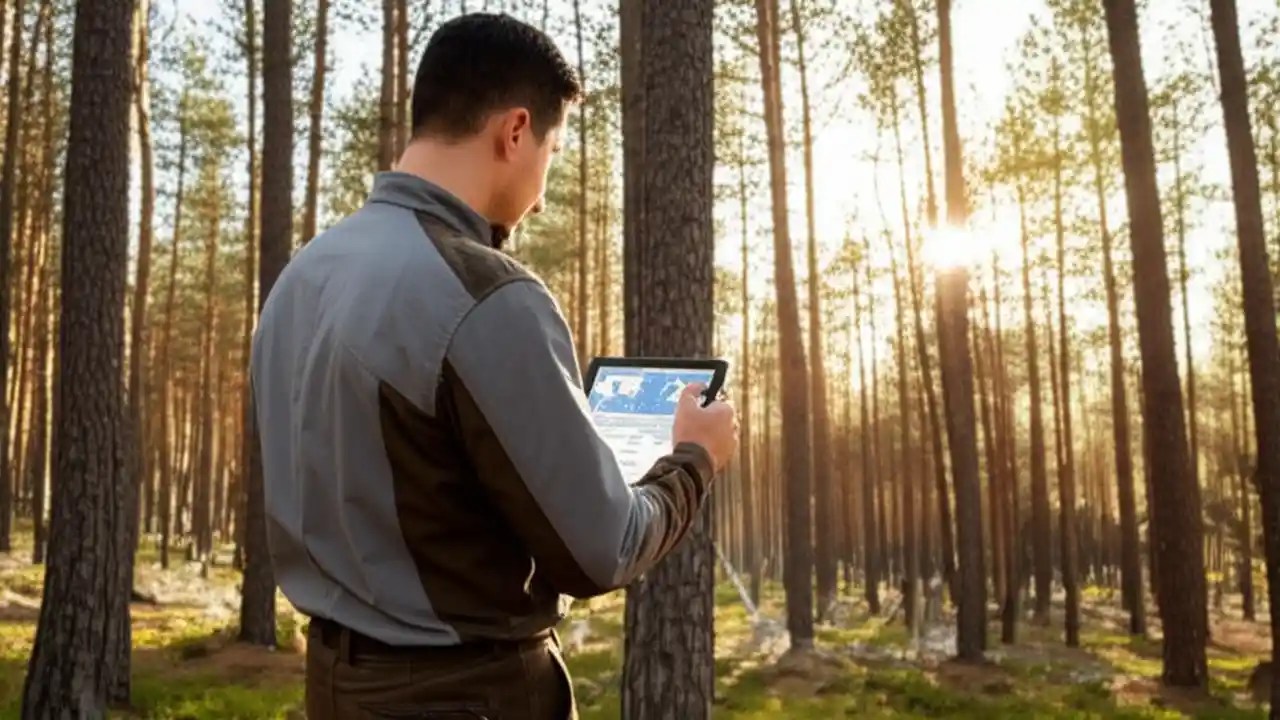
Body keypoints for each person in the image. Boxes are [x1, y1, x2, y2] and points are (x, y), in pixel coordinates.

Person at [248, 12, 738, 720]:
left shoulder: (302, 277)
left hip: (335, 689)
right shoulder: (484, 294)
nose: (542, 185)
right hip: (466, 697)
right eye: (553, 147)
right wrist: (693, 459)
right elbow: (602, 549)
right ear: (514, 131)